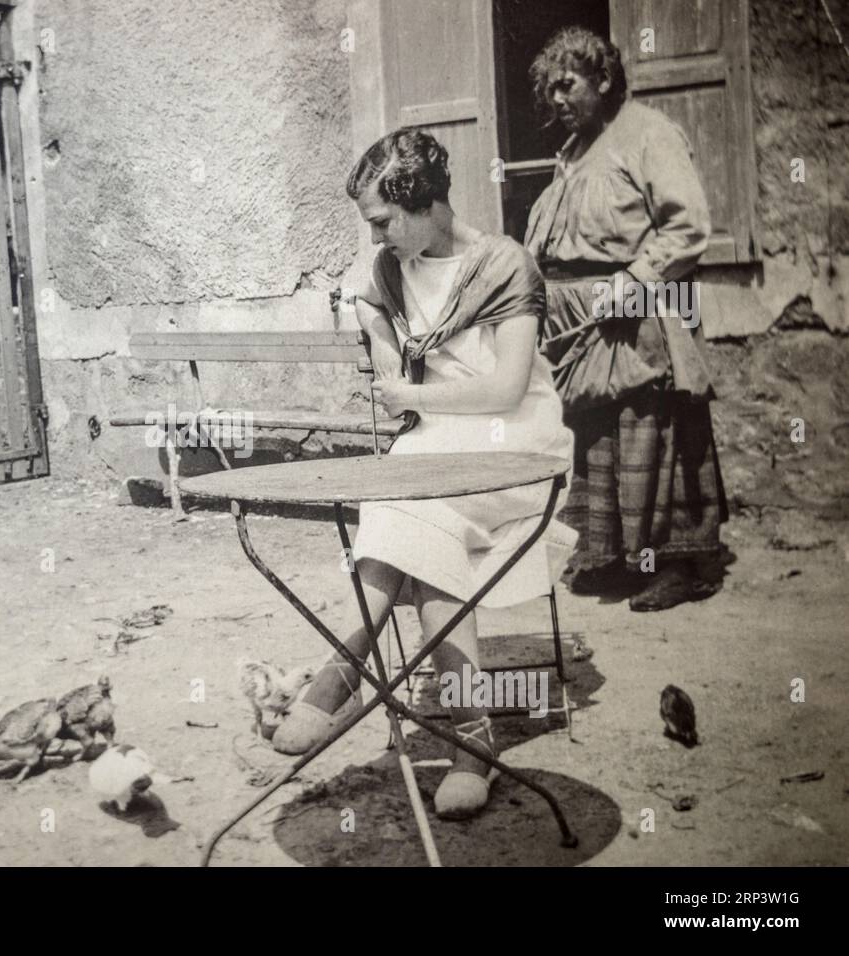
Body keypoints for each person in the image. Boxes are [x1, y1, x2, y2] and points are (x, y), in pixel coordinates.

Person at [272, 127, 575, 822]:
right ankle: (471, 737)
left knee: (415, 500)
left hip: (514, 441)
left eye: (382, 221)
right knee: (411, 507)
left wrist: (414, 397)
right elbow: (385, 341)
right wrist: (383, 350)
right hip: (436, 444)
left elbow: (505, 390)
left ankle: (344, 670)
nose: (376, 237)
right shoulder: (387, 270)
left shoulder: (506, 266)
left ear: (425, 204)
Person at [525, 26, 729, 611]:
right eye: (550, 91)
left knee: (652, 428)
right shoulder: (574, 152)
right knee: (601, 438)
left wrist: (635, 280)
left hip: (640, 313)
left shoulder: (648, 134)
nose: (556, 101)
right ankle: (614, 556)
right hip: (586, 324)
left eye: (566, 86)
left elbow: (687, 227)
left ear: (605, 78)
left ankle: (680, 563)